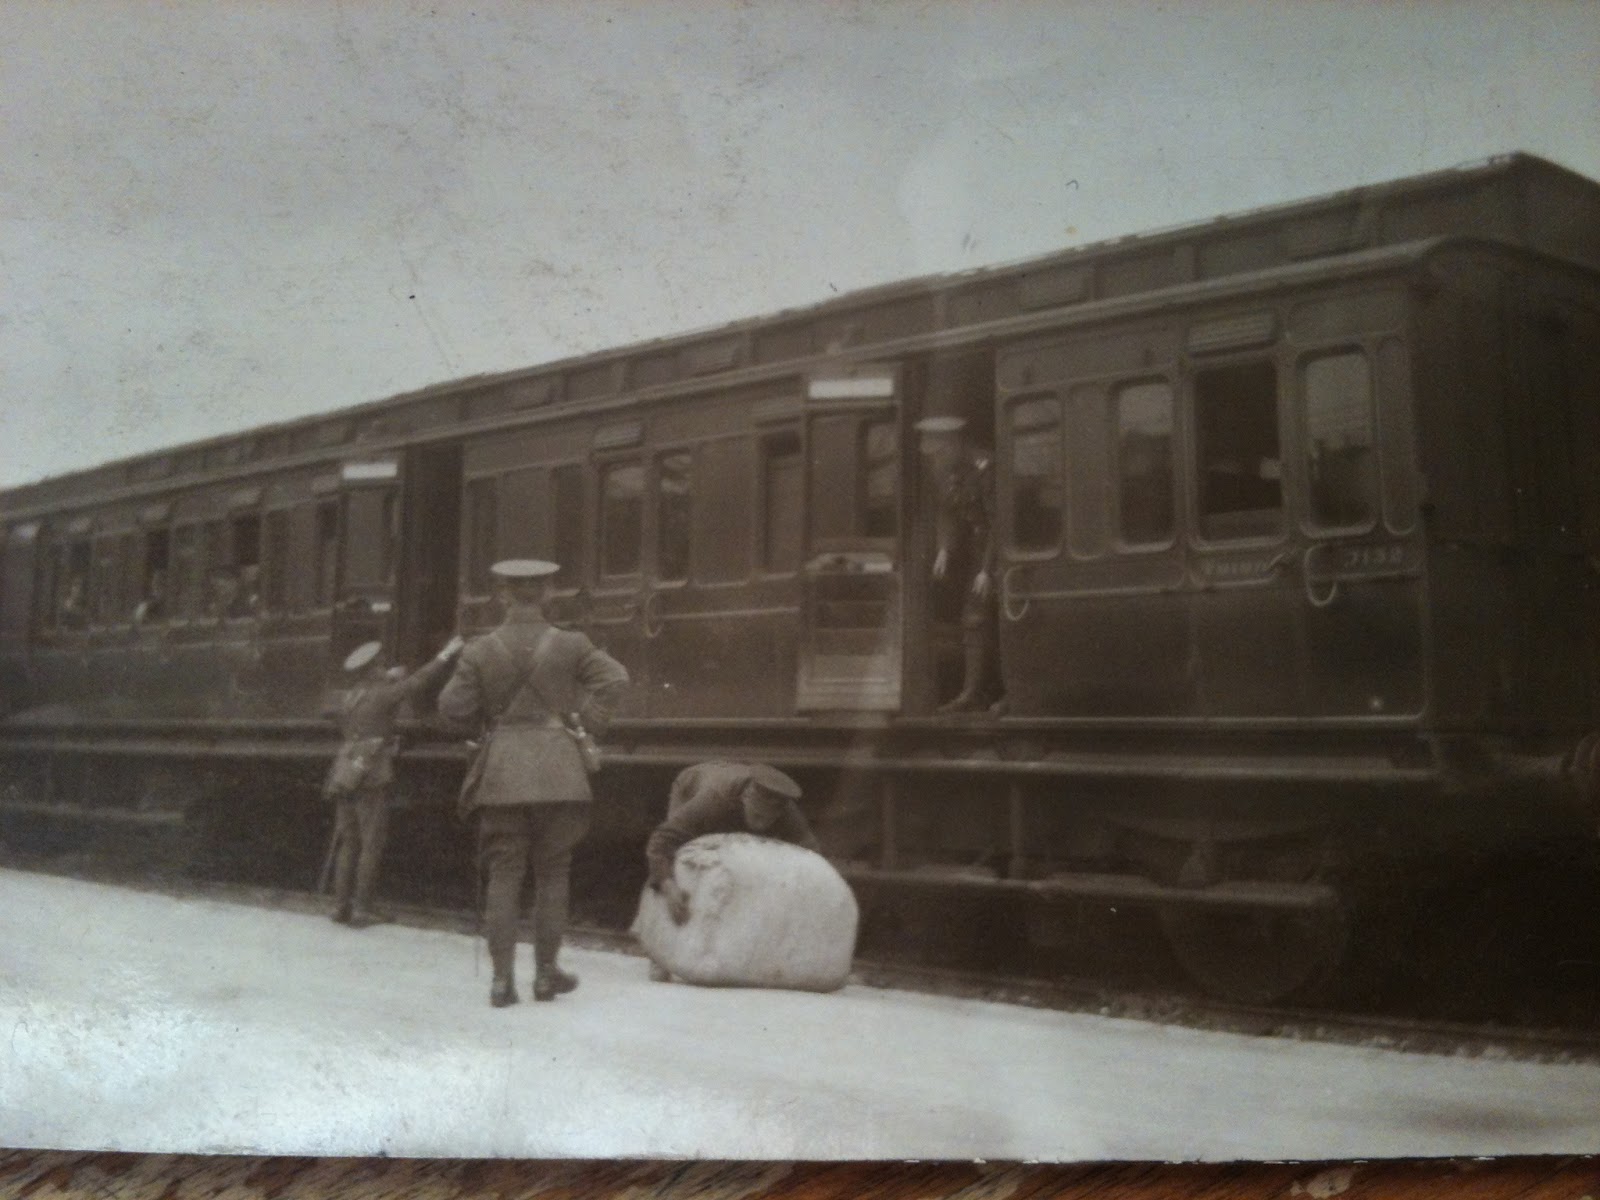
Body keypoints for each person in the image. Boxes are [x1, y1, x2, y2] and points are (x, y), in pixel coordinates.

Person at [438, 559, 630, 1008]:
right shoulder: (571, 643)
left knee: (504, 874)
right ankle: (546, 976)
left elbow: (452, 709)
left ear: (502, 595)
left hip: (503, 772)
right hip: (560, 769)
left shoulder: (480, 650)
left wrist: (488, 723)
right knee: (553, 874)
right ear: (547, 594)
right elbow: (615, 678)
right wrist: (588, 722)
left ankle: (502, 982)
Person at [323, 634, 463, 928]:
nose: (386, 665)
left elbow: (357, 720)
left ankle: (340, 907)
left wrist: (384, 679)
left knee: (348, 842)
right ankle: (362, 910)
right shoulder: (384, 694)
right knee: (372, 842)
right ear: (375, 667)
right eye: (382, 662)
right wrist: (446, 654)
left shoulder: (350, 697)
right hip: (371, 771)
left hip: (345, 771)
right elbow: (420, 681)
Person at [643, 761, 819, 979]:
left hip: (728, 787)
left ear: (780, 813)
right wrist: (668, 885)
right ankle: (660, 954)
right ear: (746, 798)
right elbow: (661, 841)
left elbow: (811, 854)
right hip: (692, 786)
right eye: (756, 816)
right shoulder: (714, 801)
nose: (761, 826)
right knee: (680, 860)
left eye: (768, 820)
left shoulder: (786, 810)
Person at [917, 414, 1003, 713]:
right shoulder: (948, 470)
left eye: (939, 452)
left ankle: (996, 695)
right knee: (974, 619)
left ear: (953, 444)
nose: (935, 460)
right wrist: (944, 549)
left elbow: (999, 521)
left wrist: (987, 569)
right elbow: (948, 511)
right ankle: (975, 692)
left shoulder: (984, 466)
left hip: (999, 552)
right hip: (977, 551)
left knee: (989, 617)